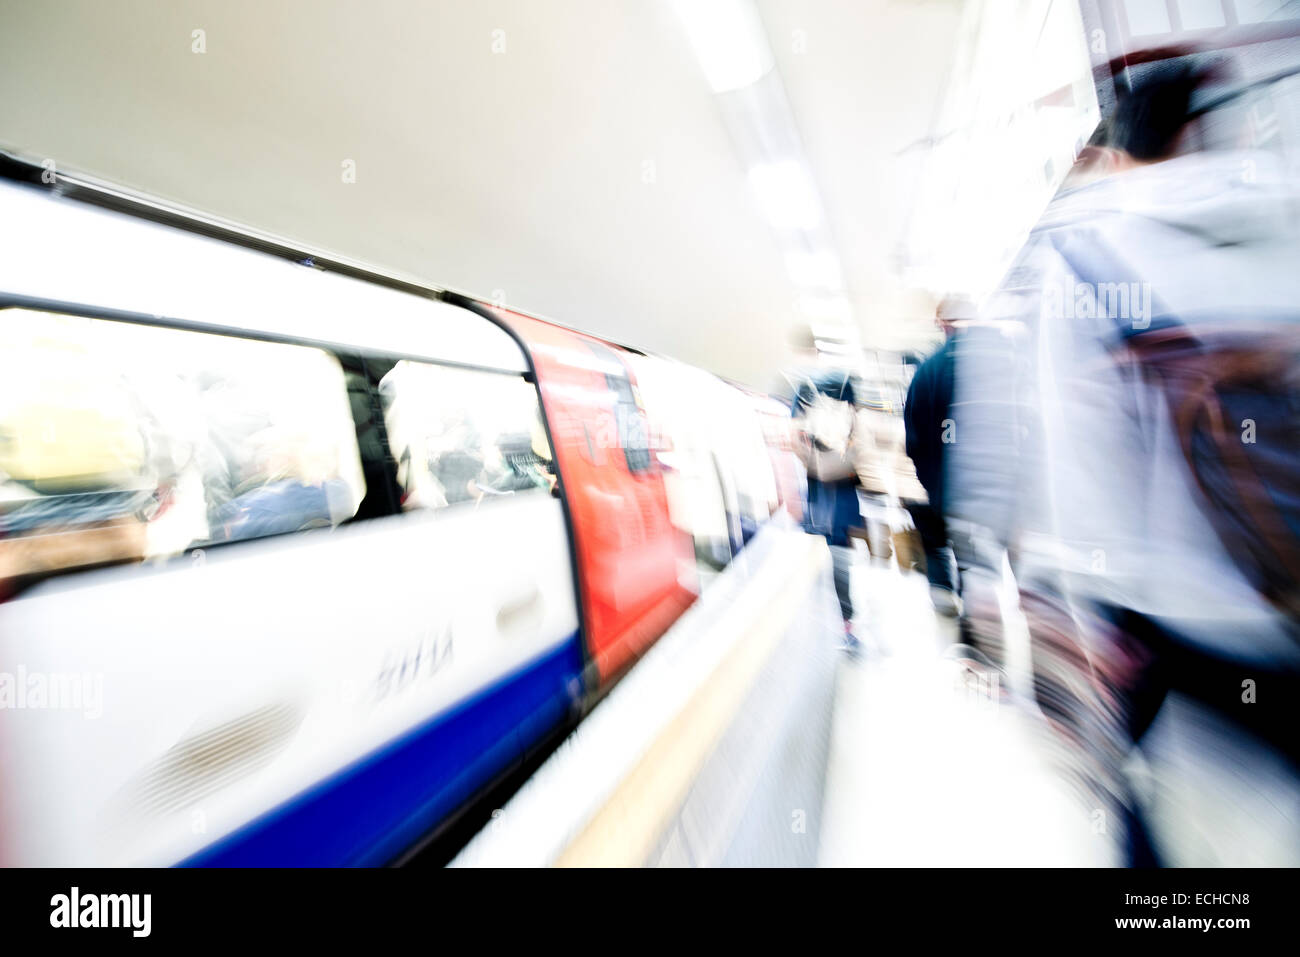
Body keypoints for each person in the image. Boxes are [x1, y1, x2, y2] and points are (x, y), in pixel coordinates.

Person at [947, 55, 1300, 864]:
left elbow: (1071, 476)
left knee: (1169, 854)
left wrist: (1056, 608)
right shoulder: (1283, 223)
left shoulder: (1084, 256)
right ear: (1200, 130)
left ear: (1119, 149)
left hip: (1171, 629)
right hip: (1286, 609)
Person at [902, 296, 971, 617]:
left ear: (941, 324)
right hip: (989, 497)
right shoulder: (1001, 364)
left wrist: (930, 482)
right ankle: (977, 626)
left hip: (942, 490)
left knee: (937, 546)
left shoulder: (928, 371)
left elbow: (914, 439)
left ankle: (945, 599)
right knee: (976, 564)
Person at [790, 357, 863, 650]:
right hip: (844, 497)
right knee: (841, 559)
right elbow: (860, 444)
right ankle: (846, 626)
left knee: (815, 560)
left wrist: (814, 463)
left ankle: (814, 622)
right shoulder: (848, 391)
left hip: (818, 497)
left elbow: (794, 439)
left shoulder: (804, 390)